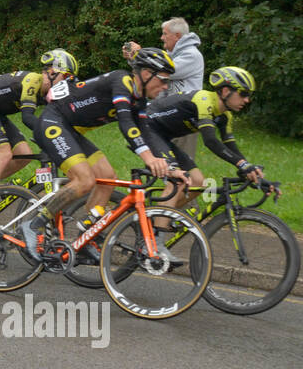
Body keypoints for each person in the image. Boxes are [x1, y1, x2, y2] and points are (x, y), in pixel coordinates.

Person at [25, 47, 186, 252]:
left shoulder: (140, 99)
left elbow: (147, 132)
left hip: (70, 128)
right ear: (146, 74)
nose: (165, 86)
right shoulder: (121, 81)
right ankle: (33, 225)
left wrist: (170, 166)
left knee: (107, 177)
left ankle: (87, 237)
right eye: (163, 79)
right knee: (84, 180)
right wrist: (148, 158)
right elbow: (126, 123)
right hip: (52, 121)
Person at [0, 49, 79, 226]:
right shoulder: (33, 80)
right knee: (4, 154)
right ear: (51, 72)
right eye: (64, 78)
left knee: (24, 154)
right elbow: (27, 118)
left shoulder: (49, 93)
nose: (65, 84)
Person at [144, 66, 265, 210]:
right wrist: (242, 165)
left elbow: (230, 146)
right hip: (146, 127)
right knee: (177, 180)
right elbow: (210, 141)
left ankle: (157, 218)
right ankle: (157, 228)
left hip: (163, 136)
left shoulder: (225, 116)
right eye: (243, 94)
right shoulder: (204, 100)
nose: (247, 100)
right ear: (226, 91)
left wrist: (249, 168)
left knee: (198, 182)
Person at [125, 17, 203, 162]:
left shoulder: (191, 55)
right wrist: (133, 58)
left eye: (165, 34)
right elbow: (150, 71)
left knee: (183, 162)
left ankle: (186, 182)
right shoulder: (175, 54)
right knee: (163, 158)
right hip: (170, 113)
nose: (162, 38)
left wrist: (139, 54)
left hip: (185, 115)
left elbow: (163, 70)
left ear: (177, 36)